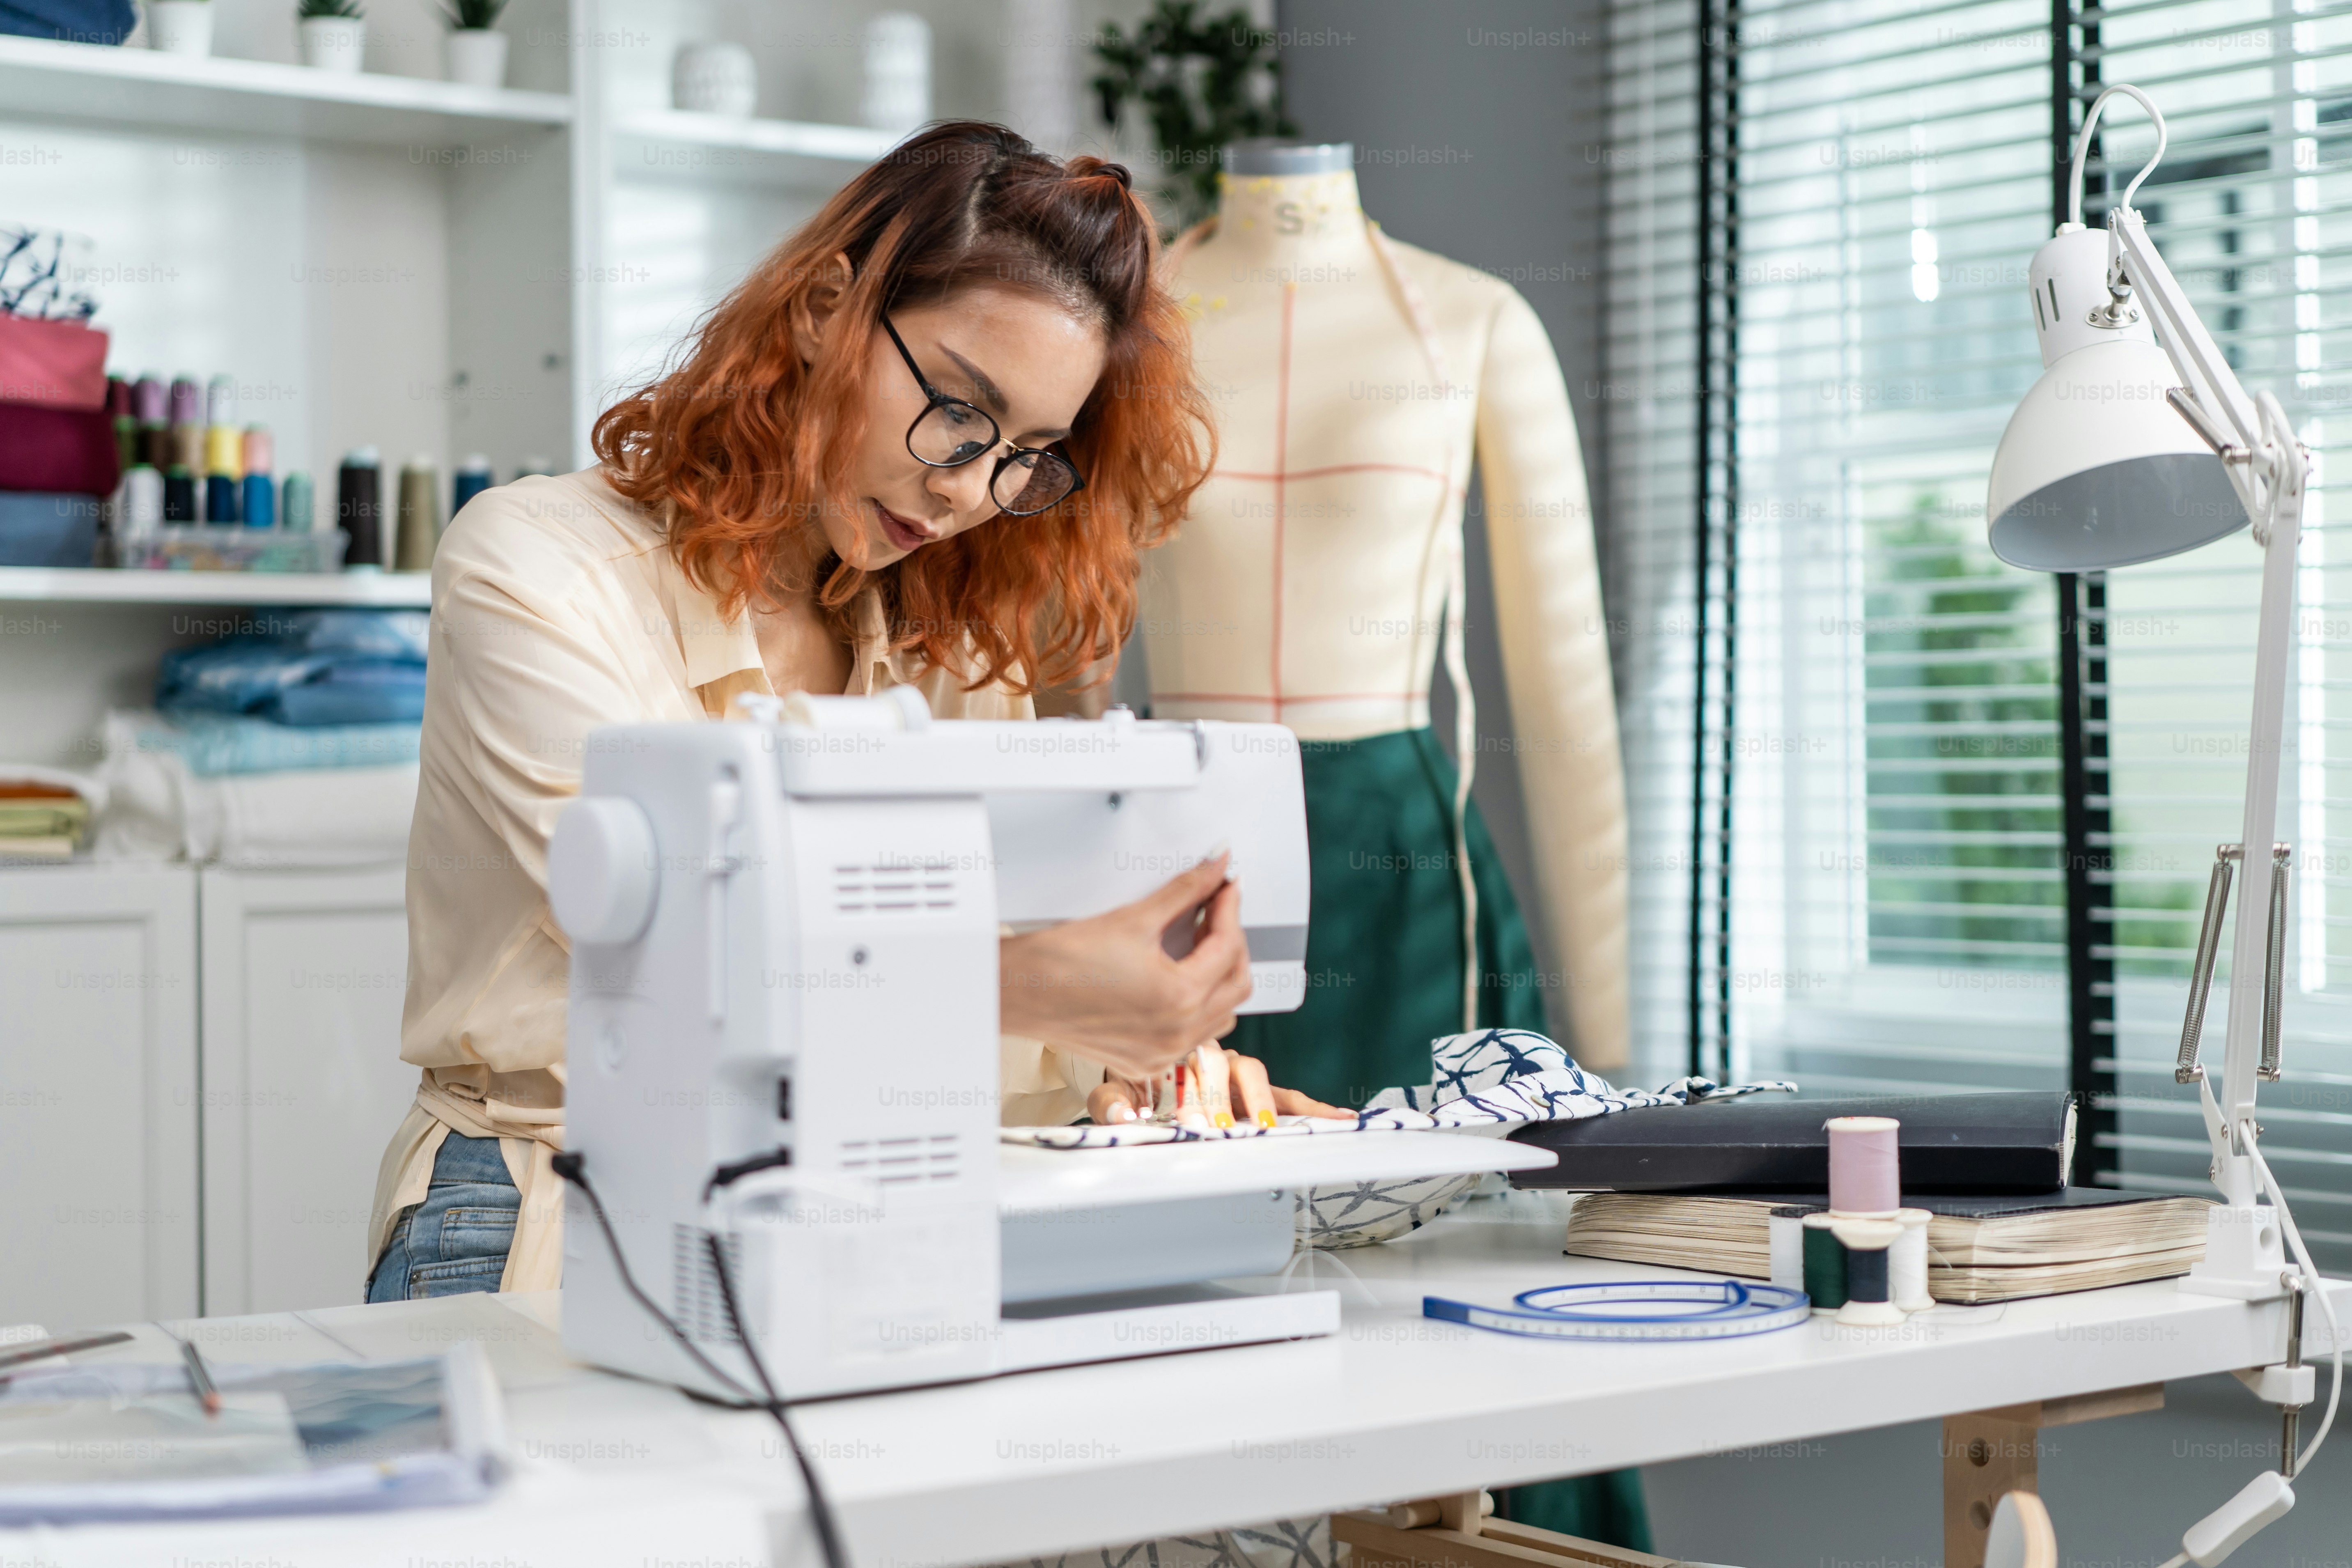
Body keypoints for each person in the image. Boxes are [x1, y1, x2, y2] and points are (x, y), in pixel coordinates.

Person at [366, 122, 1336, 1304]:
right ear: (829, 303)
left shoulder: (948, 647)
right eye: (959, 411)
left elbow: (986, 953)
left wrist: (1142, 1071)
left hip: (856, 1206)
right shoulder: (536, 566)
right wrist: (1033, 985)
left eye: (1026, 455)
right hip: (552, 1204)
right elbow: (658, 929)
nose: (968, 488)